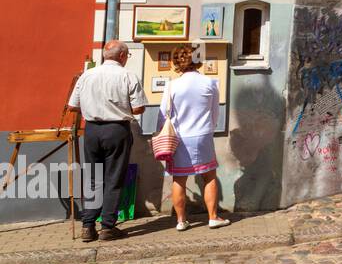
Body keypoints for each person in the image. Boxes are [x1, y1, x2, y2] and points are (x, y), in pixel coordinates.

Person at [66, 40, 146, 242]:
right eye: (127, 56)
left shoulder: (87, 75)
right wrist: (117, 108)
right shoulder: (128, 76)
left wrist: (93, 107)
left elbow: (72, 106)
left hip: (92, 130)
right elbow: (139, 108)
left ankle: (88, 226)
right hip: (116, 129)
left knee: (94, 178)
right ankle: (108, 227)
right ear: (122, 56)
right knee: (113, 178)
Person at [160, 45, 229, 230]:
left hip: (180, 137)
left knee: (179, 179)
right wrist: (209, 129)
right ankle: (213, 217)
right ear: (198, 60)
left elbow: (163, 114)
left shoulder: (172, 85)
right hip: (203, 134)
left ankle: (181, 221)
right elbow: (215, 114)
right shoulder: (209, 83)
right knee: (209, 176)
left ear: (177, 62)